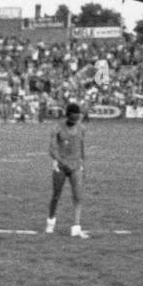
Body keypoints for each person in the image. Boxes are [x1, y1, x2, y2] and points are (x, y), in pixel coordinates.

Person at [46, 101, 89, 237]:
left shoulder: (82, 129)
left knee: (78, 196)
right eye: (73, 117)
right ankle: (51, 221)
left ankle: (76, 226)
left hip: (75, 166)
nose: (75, 120)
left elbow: (81, 147)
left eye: (77, 117)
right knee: (56, 195)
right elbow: (52, 148)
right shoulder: (57, 128)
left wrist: (82, 163)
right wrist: (58, 161)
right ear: (68, 115)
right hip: (61, 166)